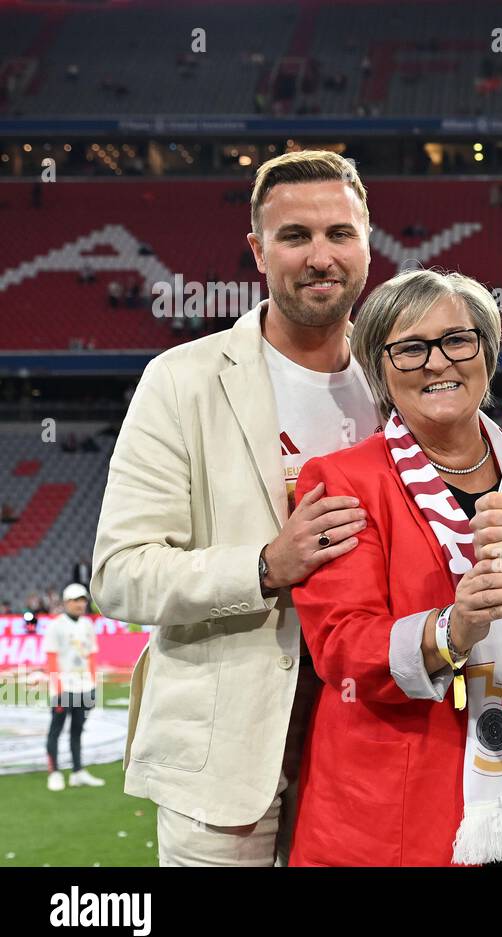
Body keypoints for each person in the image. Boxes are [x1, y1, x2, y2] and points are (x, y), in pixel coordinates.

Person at [92, 150, 379, 867]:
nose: (321, 257)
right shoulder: (181, 381)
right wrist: (264, 565)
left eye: (340, 234)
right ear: (257, 250)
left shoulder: (396, 383)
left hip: (363, 746)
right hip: (224, 760)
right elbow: (121, 574)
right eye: (295, 237)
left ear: (368, 242)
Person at [288, 269, 502, 867]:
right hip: (419, 803)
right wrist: (454, 626)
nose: (437, 362)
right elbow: (344, 647)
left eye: (457, 339)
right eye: (410, 348)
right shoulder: (345, 480)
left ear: (485, 349)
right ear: (380, 368)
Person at [44, 584, 103, 791]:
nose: (80, 604)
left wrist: (93, 685)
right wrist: (58, 689)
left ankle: (78, 772)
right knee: (56, 731)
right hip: (64, 689)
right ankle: (55, 773)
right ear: (66, 602)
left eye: (83, 600)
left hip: (84, 687)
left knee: (77, 731)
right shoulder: (56, 626)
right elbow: (51, 658)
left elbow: (92, 656)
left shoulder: (87, 624)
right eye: (75, 600)